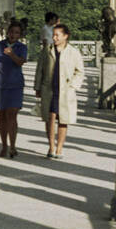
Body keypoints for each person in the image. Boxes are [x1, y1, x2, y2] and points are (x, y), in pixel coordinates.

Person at [37, 22, 84, 158]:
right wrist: (37, 87)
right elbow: (40, 69)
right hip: (49, 88)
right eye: (53, 35)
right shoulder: (47, 51)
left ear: (65, 36)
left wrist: (73, 86)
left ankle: (59, 148)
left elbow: (80, 71)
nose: (55, 38)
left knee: (63, 120)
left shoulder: (73, 52)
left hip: (65, 90)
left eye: (57, 35)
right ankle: (51, 146)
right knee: (49, 119)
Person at [0, 18, 27, 157]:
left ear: (20, 35)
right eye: (11, 32)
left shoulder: (22, 47)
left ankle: (13, 146)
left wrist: (11, 55)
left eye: (16, 32)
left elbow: (20, 62)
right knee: (2, 116)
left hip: (15, 85)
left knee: (13, 115)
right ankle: (4, 145)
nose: (13, 35)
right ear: (7, 32)